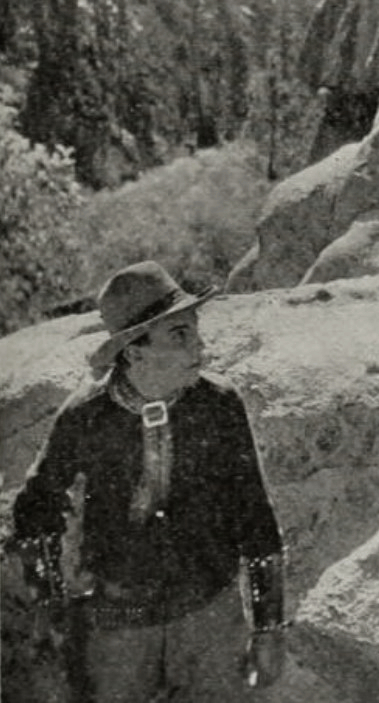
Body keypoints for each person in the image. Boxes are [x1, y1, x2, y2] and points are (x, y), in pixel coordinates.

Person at [10, 260, 287, 702]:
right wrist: (47, 601)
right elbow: (34, 508)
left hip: (210, 617)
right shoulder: (85, 415)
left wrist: (268, 627)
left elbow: (254, 513)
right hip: (118, 624)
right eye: (179, 336)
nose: (199, 346)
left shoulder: (219, 404)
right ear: (133, 351)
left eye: (194, 330)